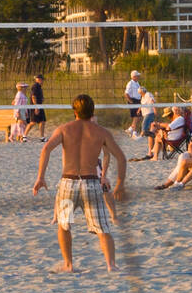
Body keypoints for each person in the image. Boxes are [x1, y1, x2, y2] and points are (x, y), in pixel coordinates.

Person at [33, 94, 126, 273]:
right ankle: (111, 265)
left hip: (68, 183)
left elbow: (46, 148)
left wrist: (41, 177)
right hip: (91, 184)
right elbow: (121, 158)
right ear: (93, 111)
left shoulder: (64, 129)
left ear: (74, 111)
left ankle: (68, 264)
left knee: (64, 224)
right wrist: (120, 183)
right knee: (103, 228)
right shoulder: (101, 132)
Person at [135, 87, 157, 157]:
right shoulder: (143, 97)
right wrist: (139, 110)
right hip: (145, 114)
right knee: (150, 129)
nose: (140, 94)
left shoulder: (148, 94)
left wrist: (154, 110)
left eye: (140, 93)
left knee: (144, 125)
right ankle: (152, 135)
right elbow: (142, 104)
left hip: (150, 113)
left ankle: (142, 135)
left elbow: (152, 101)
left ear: (142, 91)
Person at [28, 74, 47, 141]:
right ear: (38, 79)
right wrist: (36, 107)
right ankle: (24, 136)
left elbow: (37, 96)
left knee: (42, 121)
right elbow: (33, 96)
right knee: (33, 122)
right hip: (35, 106)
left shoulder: (39, 86)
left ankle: (42, 137)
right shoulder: (35, 86)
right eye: (42, 80)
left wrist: (42, 98)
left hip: (39, 106)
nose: (43, 81)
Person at [124, 70, 143, 138]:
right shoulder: (130, 83)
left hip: (138, 101)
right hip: (133, 101)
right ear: (134, 77)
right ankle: (134, 133)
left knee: (139, 117)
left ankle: (130, 129)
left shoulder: (137, 83)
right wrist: (130, 101)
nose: (138, 77)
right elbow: (126, 93)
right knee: (136, 116)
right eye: (137, 76)